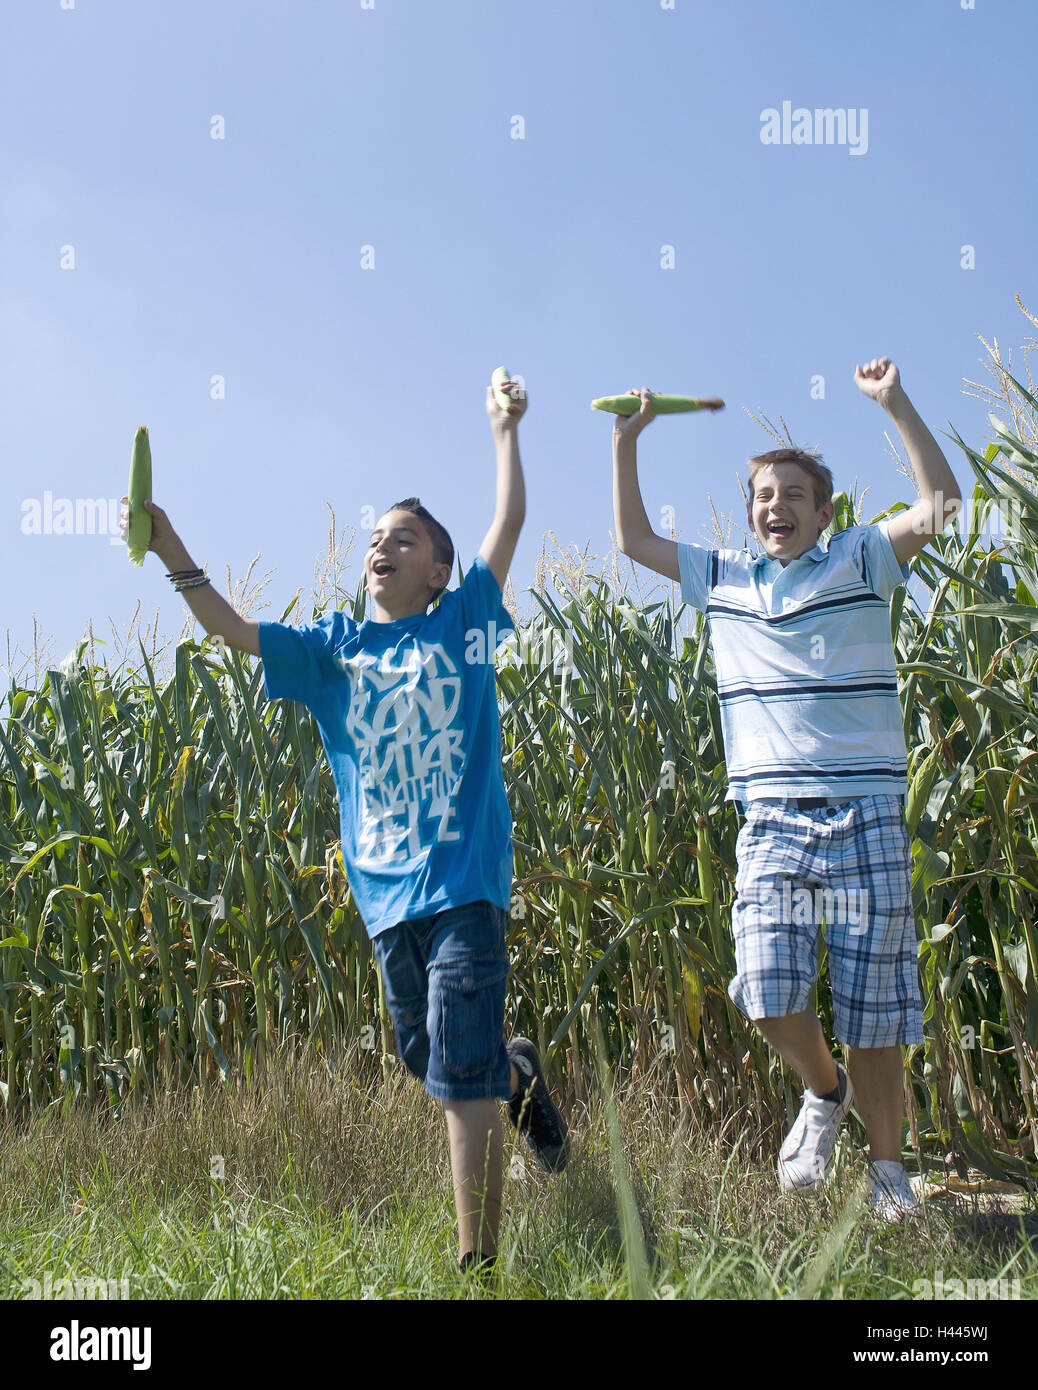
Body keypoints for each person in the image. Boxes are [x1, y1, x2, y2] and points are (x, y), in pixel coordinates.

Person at [120, 376, 568, 1273]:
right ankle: (520, 1078)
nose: (381, 547)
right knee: (427, 1058)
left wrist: (504, 431)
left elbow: (508, 525)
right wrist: (174, 551)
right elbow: (235, 630)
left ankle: (476, 1265)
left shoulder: (464, 624)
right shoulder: (335, 650)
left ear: (437, 570)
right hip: (384, 897)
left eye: (403, 538)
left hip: (465, 884)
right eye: (375, 538)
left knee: (458, 1074)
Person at [610, 358, 960, 1221]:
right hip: (770, 819)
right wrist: (628, 445)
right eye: (765, 495)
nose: (776, 507)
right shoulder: (726, 579)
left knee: (877, 1011)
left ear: (824, 510)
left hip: (868, 813)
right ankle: (824, 1091)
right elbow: (634, 543)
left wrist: (894, 403)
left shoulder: (863, 559)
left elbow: (944, 506)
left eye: (793, 494)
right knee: (765, 992)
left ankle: (887, 1176)